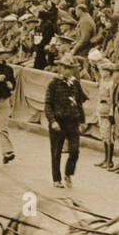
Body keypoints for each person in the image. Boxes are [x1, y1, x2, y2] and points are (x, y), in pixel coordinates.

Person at [44, 54, 86, 190]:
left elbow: (79, 103)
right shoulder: (53, 84)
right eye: (66, 68)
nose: (68, 71)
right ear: (60, 68)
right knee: (56, 152)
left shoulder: (75, 84)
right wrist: (52, 120)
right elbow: (48, 104)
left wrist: (82, 121)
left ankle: (68, 173)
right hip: (58, 122)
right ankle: (56, 179)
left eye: (71, 68)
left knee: (75, 151)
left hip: (73, 121)